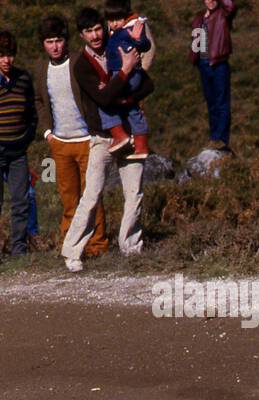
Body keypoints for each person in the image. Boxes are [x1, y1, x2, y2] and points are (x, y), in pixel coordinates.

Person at [64, 6, 154, 271]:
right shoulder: (81, 65)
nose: (95, 35)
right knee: (91, 195)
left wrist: (123, 93)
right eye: (89, 32)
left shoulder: (119, 44)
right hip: (103, 137)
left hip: (130, 131)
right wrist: (124, 73)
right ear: (81, 35)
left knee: (134, 193)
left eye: (97, 29)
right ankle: (72, 251)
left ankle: (131, 248)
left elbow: (148, 84)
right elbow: (102, 98)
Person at [33, 14, 109, 257]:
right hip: (60, 142)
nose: (54, 46)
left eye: (58, 40)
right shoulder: (41, 67)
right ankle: (70, 244)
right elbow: (39, 101)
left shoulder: (79, 61)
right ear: (43, 44)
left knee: (92, 197)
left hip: (87, 140)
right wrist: (47, 132)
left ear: (65, 40)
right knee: (69, 198)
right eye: (49, 42)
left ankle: (97, 245)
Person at [100, 0, 153, 159]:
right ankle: (141, 146)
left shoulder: (132, 27)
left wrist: (138, 40)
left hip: (129, 74)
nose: (114, 23)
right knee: (131, 108)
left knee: (105, 99)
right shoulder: (113, 31)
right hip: (121, 73)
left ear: (126, 16)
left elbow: (146, 45)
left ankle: (119, 135)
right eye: (110, 20)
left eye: (117, 19)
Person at [0, 29, 36, 258]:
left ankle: (19, 250)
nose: (6, 60)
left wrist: (27, 137)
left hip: (18, 150)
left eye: (10, 55)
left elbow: (32, 113)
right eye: (2, 55)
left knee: (21, 200)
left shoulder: (23, 78)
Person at [189, 0, 236, 151]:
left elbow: (231, 6)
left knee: (222, 103)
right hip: (203, 64)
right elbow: (196, 40)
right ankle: (214, 136)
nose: (210, 1)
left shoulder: (223, 14)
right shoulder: (199, 17)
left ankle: (221, 139)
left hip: (219, 63)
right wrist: (194, 58)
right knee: (211, 104)